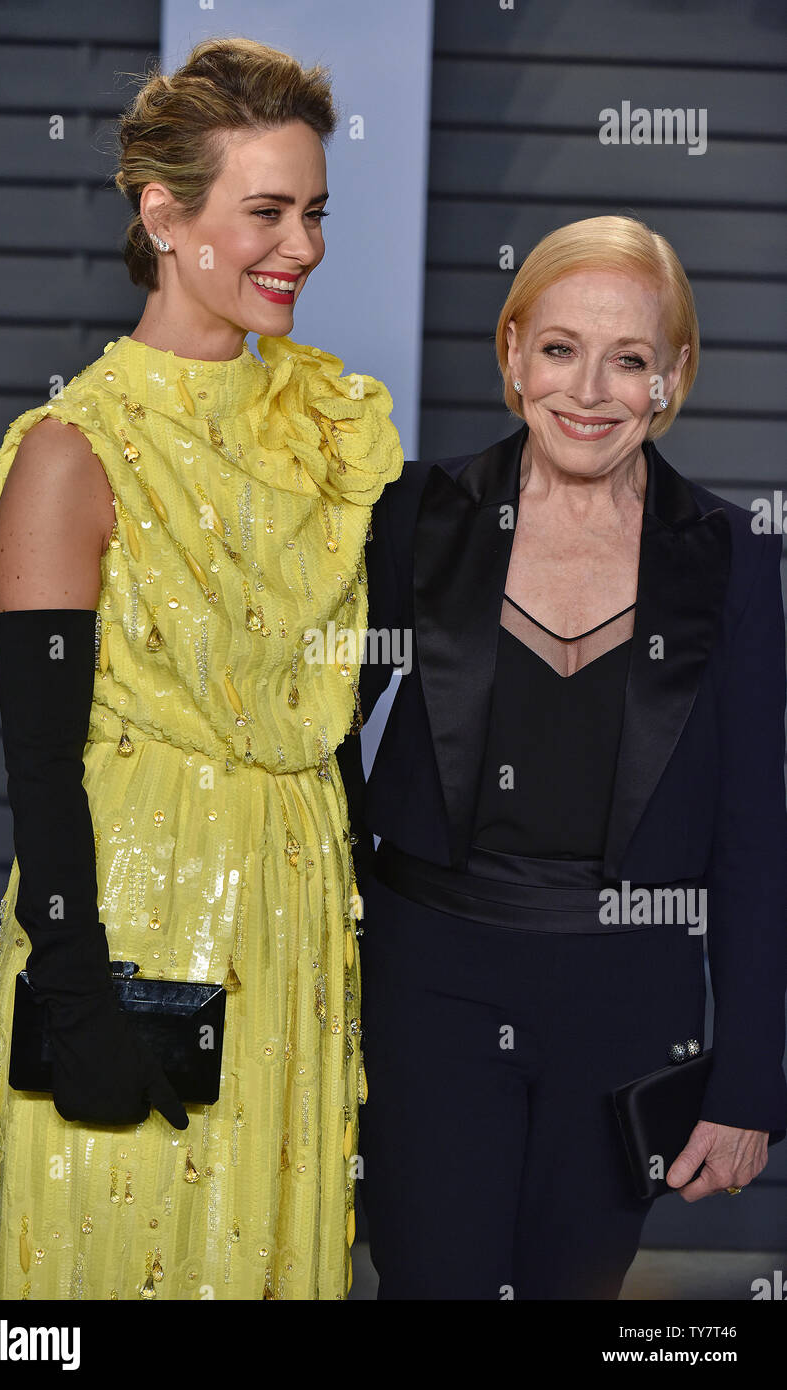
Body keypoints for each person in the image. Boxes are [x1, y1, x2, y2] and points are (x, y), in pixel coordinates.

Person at [0, 35, 403, 1300]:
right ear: (164, 214)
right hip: (130, 927)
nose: (304, 247)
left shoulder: (329, 420)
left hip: (296, 924)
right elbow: (39, 761)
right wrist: (78, 997)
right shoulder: (73, 449)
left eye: (315, 211)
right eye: (265, 211)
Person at [346, 215, 787, 1299]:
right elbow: (303, 739)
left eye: (628, 357)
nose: (588, 388)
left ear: (669, 377)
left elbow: (753, 836)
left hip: (626, 1006)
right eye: (558, 348)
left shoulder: (731, 554)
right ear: (510, 354)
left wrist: (749, 1086)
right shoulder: (414, 515)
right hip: (428, 988)